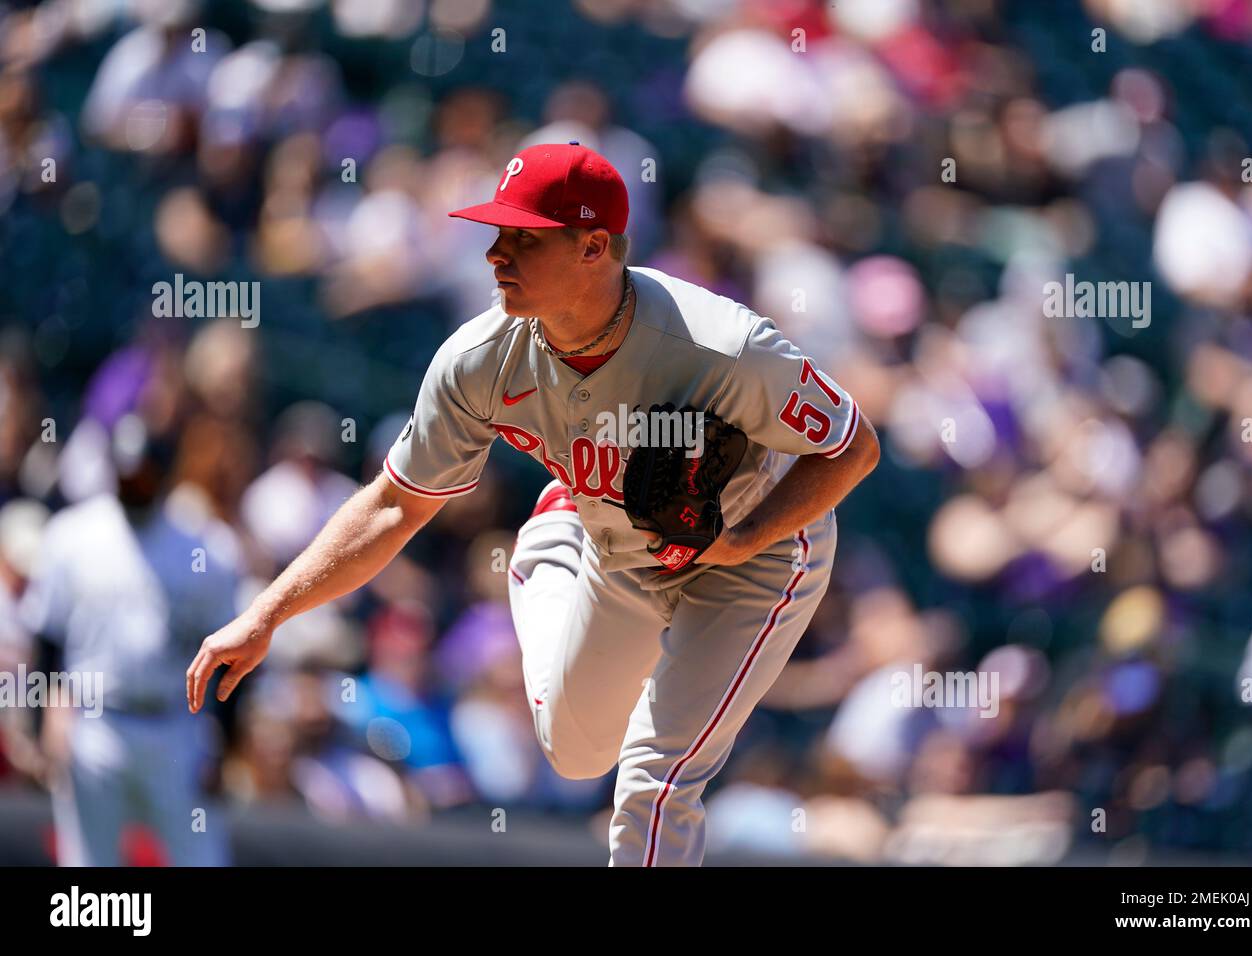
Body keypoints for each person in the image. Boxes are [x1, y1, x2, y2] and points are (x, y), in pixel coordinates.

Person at [187, 142, 880, 866]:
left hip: (753, 556)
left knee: (654, 773)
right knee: (577, 754)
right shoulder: (480, 358)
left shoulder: (721, 345)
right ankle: (559, 532)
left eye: (525, 237)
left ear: (593, 247)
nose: (496, 254)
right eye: (496, 233)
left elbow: (852, 446)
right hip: (619, 544)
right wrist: (268, 612)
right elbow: (395, 505)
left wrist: (746, 536)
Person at [23, 413, 239, 866]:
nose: (133, 482)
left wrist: (226, 740)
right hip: (94, 724)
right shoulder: (73, 536)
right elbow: (47, 635)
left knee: (201, 858)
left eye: (142, 472)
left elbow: (231, 650)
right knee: (88, 868)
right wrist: (45, 713)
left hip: (178, 725)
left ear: (162, 472)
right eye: (125, 472)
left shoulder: (204, 548)